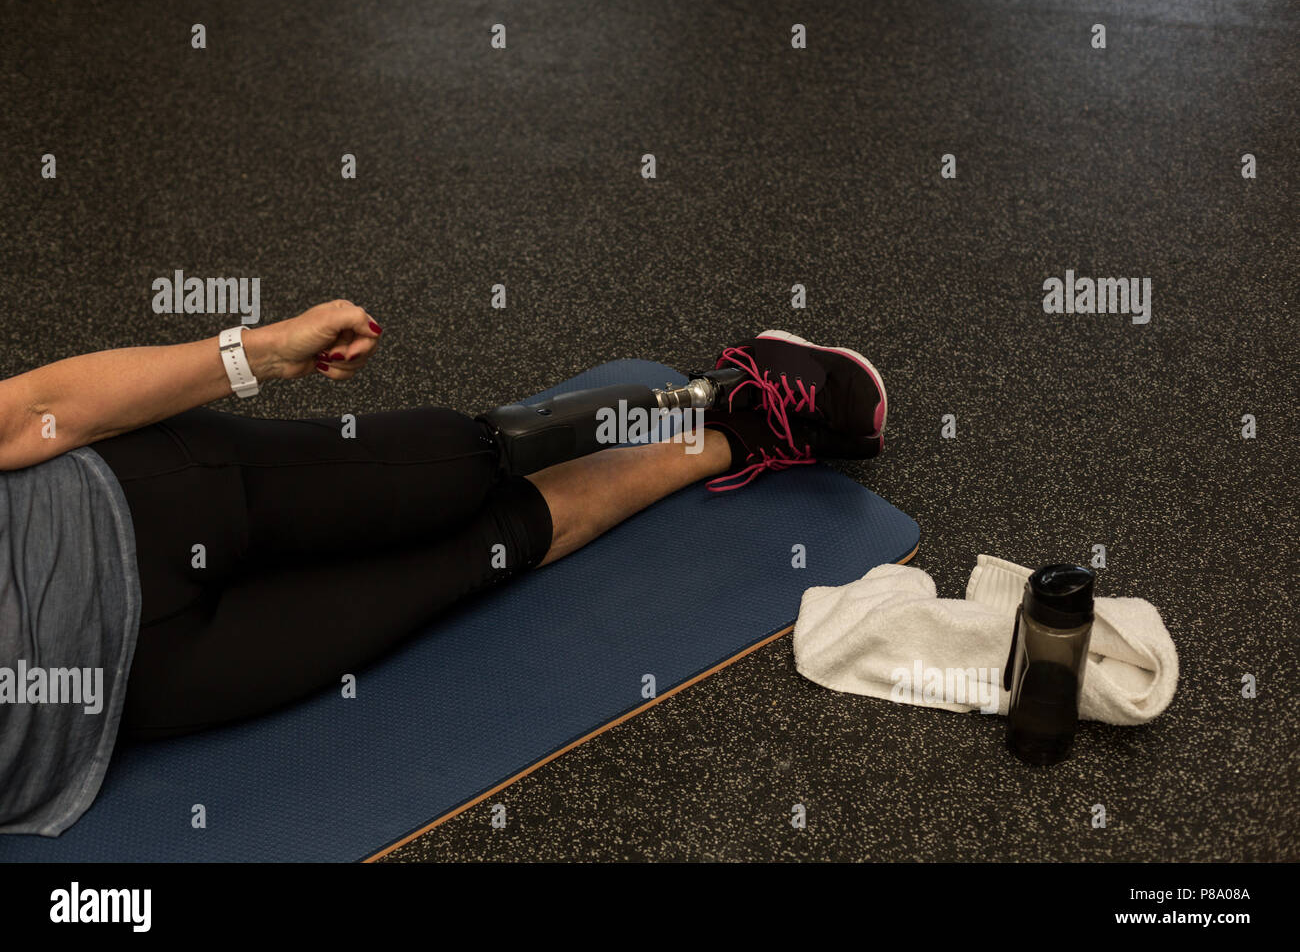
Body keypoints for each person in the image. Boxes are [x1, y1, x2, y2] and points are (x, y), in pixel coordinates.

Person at [0, 300, 886, 836]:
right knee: (481, 555)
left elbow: (31, 413)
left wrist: (263, 352)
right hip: (124, 699)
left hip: (128, 505)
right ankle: (736, 435)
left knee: (465, 464)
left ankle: (711, 390)